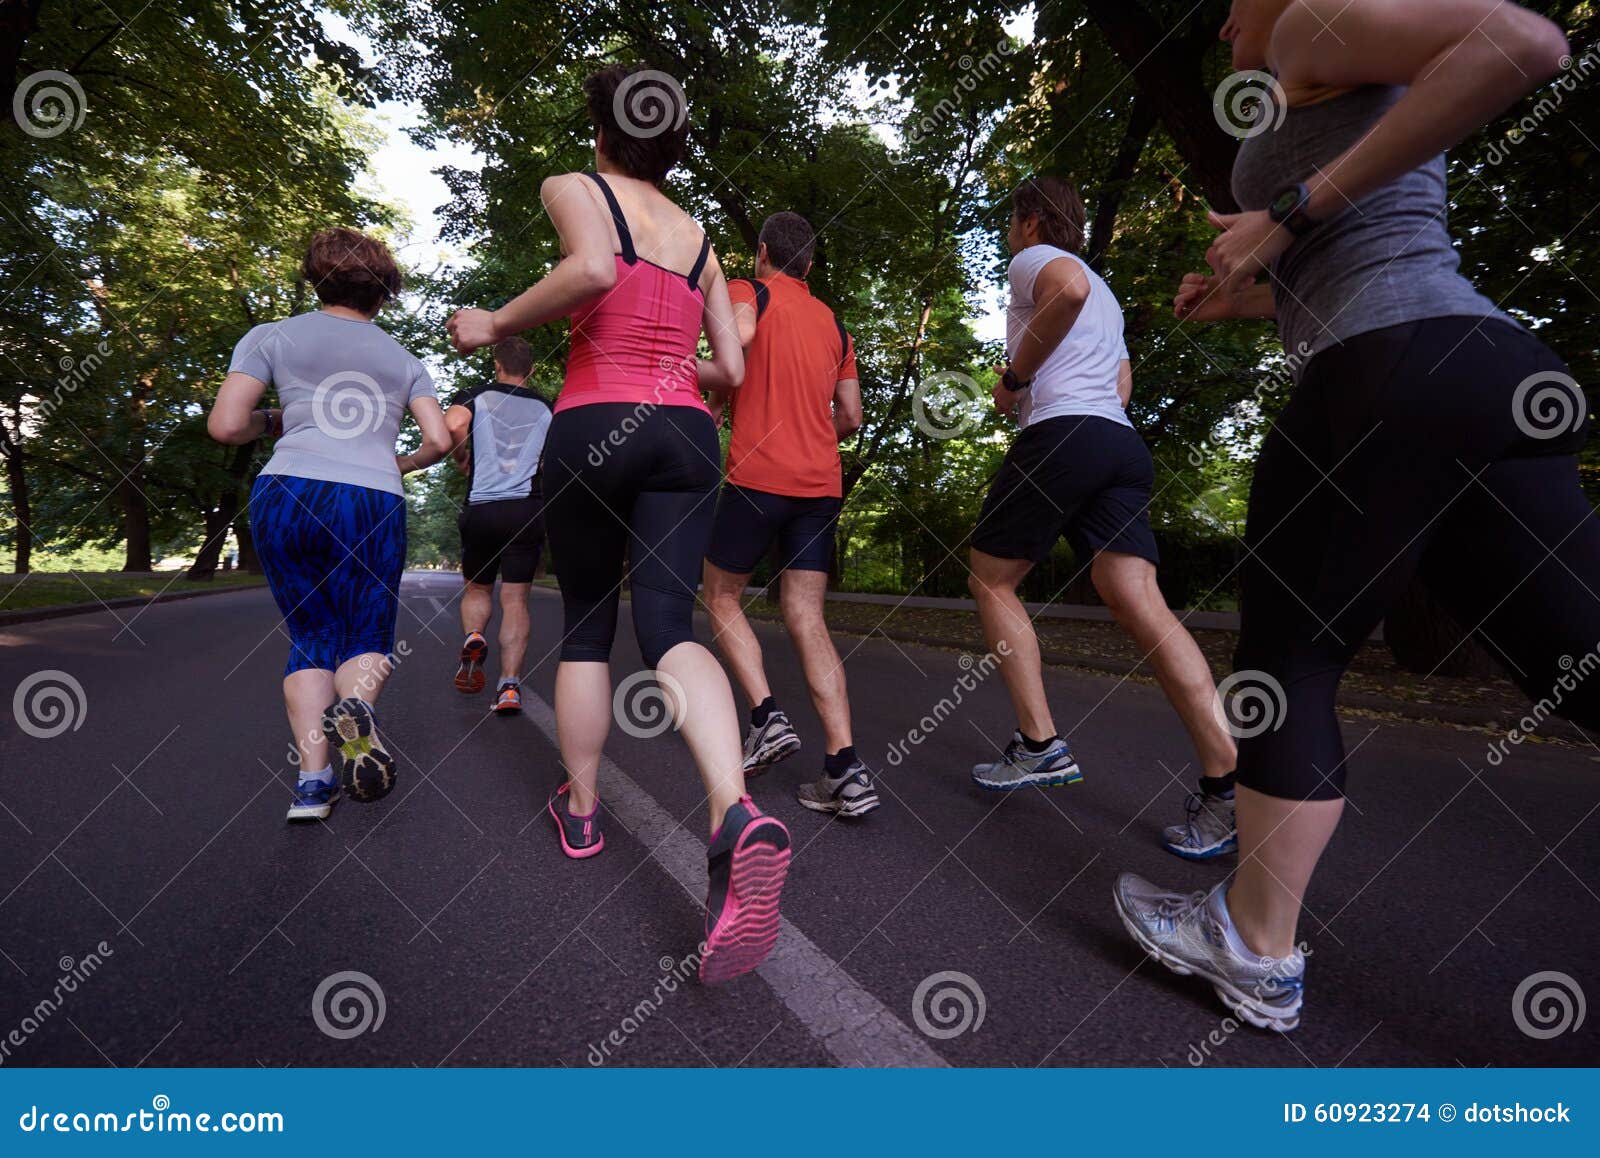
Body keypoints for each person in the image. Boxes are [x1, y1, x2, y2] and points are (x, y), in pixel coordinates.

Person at [1115, 0, 1585, 1031]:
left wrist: (1283, 213)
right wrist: (1248, 284)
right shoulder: (1317, 67)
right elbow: (1343, 257)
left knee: (1285, 662)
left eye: (1231, 8)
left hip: (1389, 367)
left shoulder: (1302, 27)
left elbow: (1529, 43)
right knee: (1575, 659)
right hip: (1474, 371)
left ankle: (1250, 946)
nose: (1226, 23)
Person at [446, 65, 790, 984]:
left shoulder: (577, 187)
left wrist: (492, 323)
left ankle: (584, 805)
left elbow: (592, 269)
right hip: (682, 433)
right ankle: (732, 807)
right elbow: (731, 369)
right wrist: (672, 357)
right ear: (674, 145)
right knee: (669, 624)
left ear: (603, 132)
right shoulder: (704, 240)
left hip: (596, 426)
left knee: (591, 626)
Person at [968, 177, 1240, 856]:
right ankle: (1227, 783)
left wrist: (1014, 381)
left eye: (1012, 223)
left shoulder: (1037, 262)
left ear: (1031, 223)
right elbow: (1120, 382)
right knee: (1137, 596)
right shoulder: (1110, 293)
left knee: (992, 579)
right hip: (1119, 441)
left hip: (1062, 436)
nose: (1009, 235)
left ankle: (1038, 744)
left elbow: (1068, 292)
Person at [208, 227, 452, 823]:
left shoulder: (271, 337)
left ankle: (312, 785)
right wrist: (403, 462)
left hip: (288, 490)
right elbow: (440, 439)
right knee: (366, 633)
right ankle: (356, 707)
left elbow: (225, 425)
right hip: (371, 497)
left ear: (315, 279)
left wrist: (274, 421)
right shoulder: (405, 360)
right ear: (383, 293)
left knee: (311, 636)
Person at [700, 212, 879, 819]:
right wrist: (810, 434)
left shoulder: (749, 290)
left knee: (721, 595)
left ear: (764, 253)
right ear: (809, 263)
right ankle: (845, 768)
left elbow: (738, 343)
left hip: (758, 476)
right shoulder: (834, 323)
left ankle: (766, 717)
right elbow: (850, 416)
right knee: (807, 616)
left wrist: (718, 399)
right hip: (820, 485)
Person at [445, 336, 552, 714]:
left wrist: (462, 455)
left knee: (477, 590)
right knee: (515, 600)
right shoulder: (546, 407)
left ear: (497, 365)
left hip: (482, 510)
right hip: (526, 511)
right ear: (532, 369)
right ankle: (509, 686)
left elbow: (454, 424)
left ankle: (474, 636)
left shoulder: (476, 394)